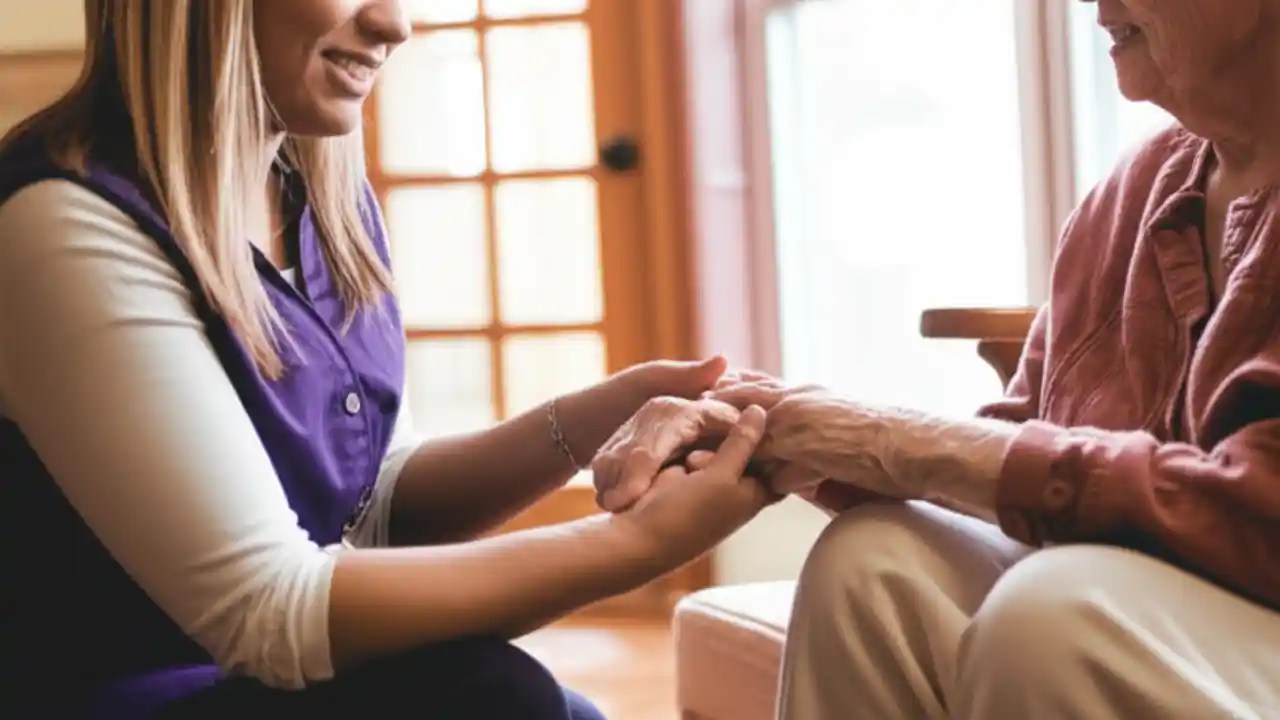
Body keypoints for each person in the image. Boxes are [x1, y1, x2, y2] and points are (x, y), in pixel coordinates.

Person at [0, 1, 777, 717]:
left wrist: (596, 417)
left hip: (260, 682)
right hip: (120, 698)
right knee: (494, 697)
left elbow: (373, 503)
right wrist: (637, 546)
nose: (395, 23)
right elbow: (271, 611)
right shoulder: (58, 225)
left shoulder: (321, 204)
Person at [598, 0, 1280, 717]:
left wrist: (892, 439)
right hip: (1169, 615)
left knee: (1049, 618)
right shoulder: (1136, 190)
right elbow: (1025, 444)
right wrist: (789, 432)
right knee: (875, 564)